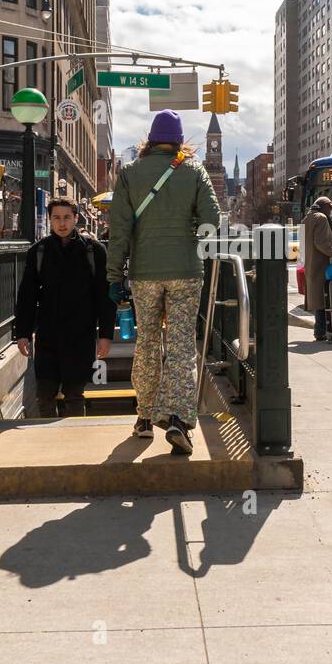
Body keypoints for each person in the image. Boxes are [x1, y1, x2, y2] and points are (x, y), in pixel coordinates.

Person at [106, 110, 221, 455]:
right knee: (182, 345)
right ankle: (177, 419)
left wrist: (114, 276)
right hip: (186, 270)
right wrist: (189, 234)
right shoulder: (194, 170)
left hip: (144, 274)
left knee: (148, 344)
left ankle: (143, 418)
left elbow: (120, 231)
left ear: (151, 139)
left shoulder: (129, 173)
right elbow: (212, 219)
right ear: (179, 140)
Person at [14, 199, 115, 419]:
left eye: (67, 217)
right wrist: (22, 333)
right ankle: (48, 444)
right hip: (48, 335)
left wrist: (105, 335)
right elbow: (27, 295)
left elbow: (104, 296)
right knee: (45, 395)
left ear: (76, 219)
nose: (62, 223)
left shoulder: (94, 251)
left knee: (74, 395)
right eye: (57, 218)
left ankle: (75, 443)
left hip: (81, 334)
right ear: (50, 220)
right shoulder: (38, 251)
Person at [302, 196, 332, 341]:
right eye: (330, 207)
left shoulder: (306, 219)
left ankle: (320, 330)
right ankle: (321, 331)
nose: (331, 211)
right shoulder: (320, 218)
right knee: (323, 297)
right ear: (324, 206)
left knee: (318, 297)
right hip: (321, 263)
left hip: (310, 263)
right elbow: (322, 243)